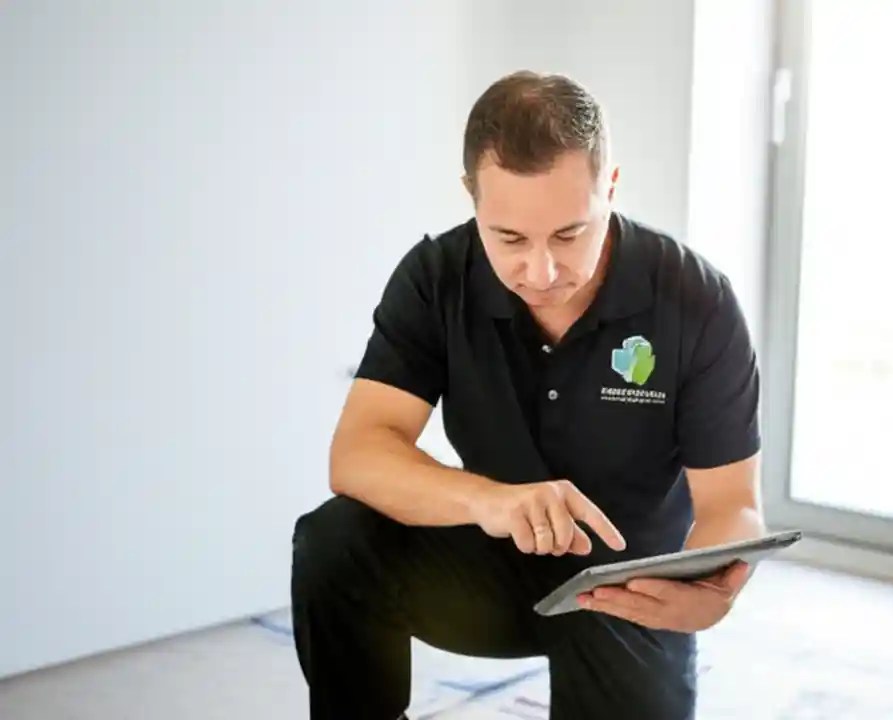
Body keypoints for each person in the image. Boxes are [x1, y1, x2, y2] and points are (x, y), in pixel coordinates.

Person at [290, 70, 765, 720]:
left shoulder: (696, 299)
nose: (540, 273)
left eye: (570, 234)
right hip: (489, 562)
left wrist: (711, 590)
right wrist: (489, 500)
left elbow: (733, 505)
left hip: (633, 586)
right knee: (335, 540)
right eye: (509, 239)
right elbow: (357, 455)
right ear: (472, 197)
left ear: (612, 187)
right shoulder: (435, 277)